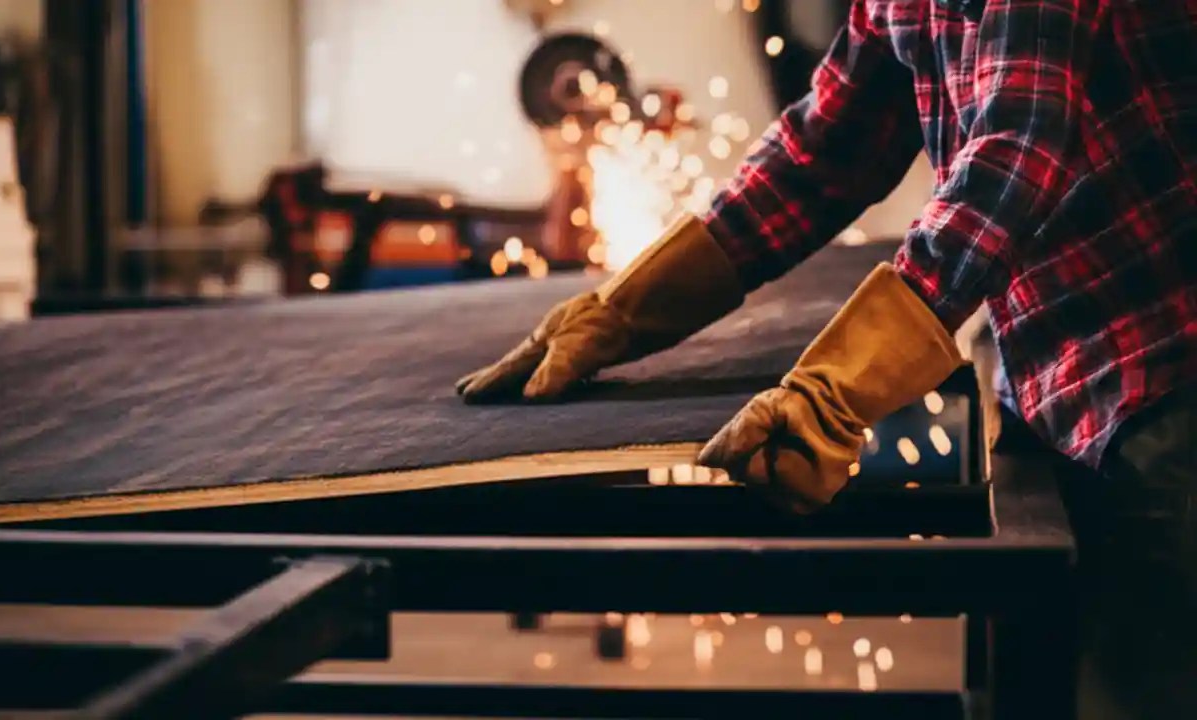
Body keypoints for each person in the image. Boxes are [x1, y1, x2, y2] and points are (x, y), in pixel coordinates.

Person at [456, 0, 1197, 716]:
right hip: (1052, 380)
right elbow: (820, 157)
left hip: (1167, 379)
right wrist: (626, 311)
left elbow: (1015, 151)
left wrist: (838, 386)